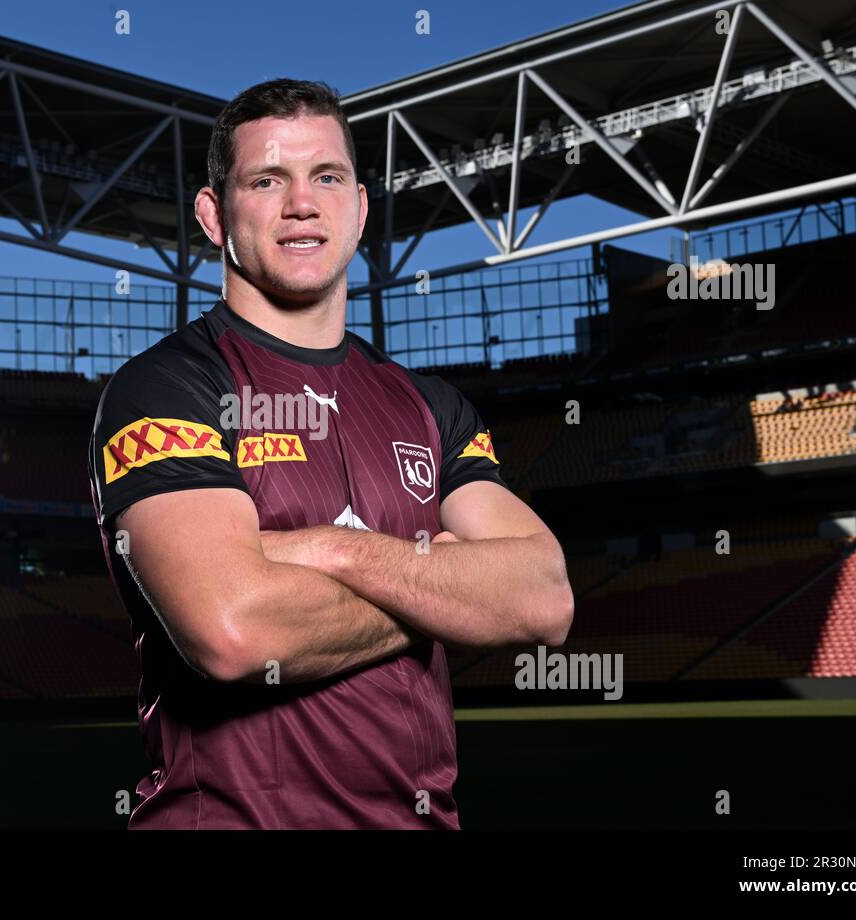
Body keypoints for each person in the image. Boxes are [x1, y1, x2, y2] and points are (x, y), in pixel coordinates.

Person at [87, 78, 572, 829]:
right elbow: (234, 631)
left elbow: (543, 597)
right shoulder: (164, 388)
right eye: (266, 180)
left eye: (328, 178)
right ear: (215, 216)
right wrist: (444, 589)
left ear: (361, 208)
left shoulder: (432, 406)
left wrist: (329, 552)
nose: (302, 204)